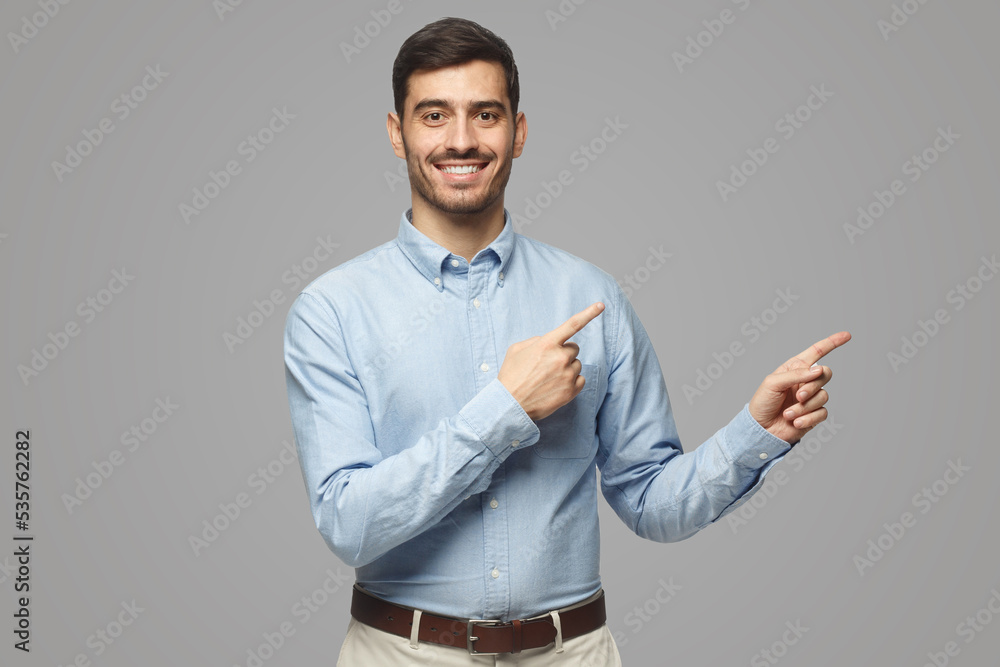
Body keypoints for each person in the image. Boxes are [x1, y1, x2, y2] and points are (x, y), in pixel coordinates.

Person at [283, 16, 850, 665]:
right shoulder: (331, 311)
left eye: (486, 114)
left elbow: (651, 501)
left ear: (518, 132)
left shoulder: (592, 298)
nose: (461, 139)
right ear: (396, 133)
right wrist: (507, 408)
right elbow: (349, 524)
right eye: (434, 115)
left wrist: (755, 432)